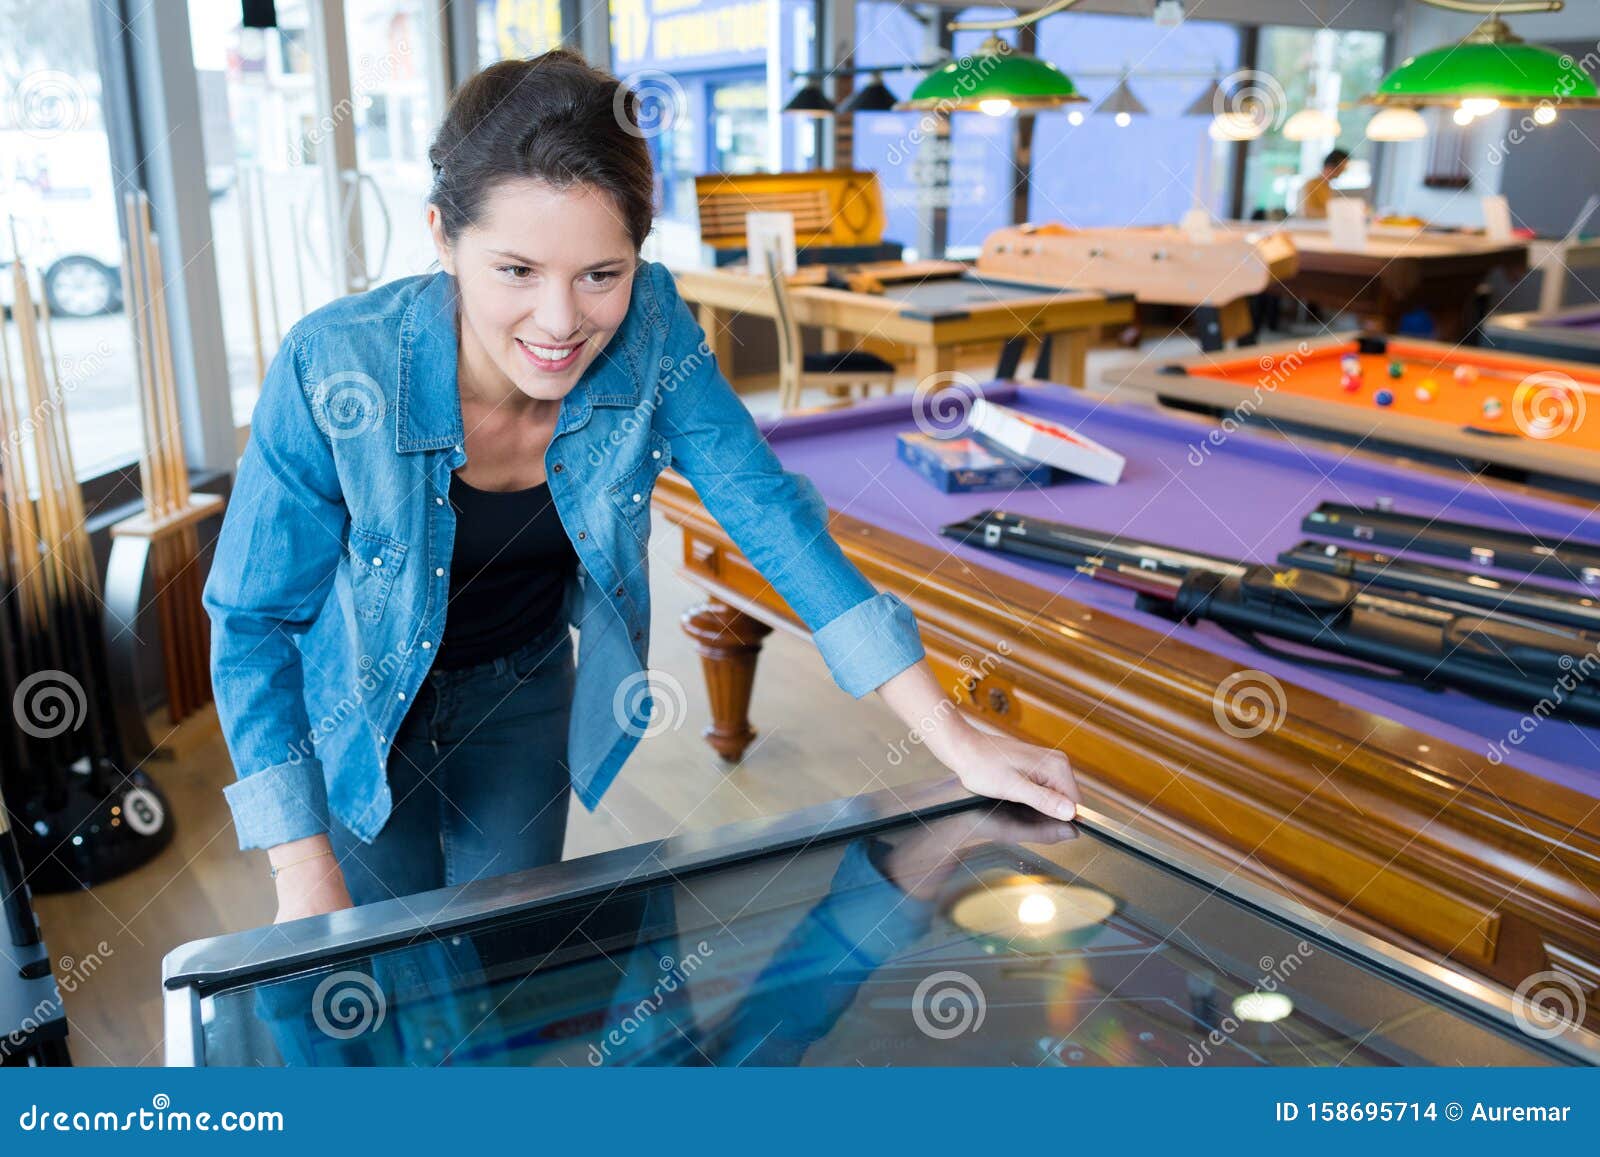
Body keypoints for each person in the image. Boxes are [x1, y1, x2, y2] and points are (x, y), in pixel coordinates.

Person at [202, 49, 1080, 926]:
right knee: (379, 961)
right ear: (442, 236)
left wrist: (954, 737)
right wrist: (299, 863)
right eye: (516, 271)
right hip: (357, 705)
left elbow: (769, 514)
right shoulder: (332, 363)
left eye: (600, 274)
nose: (559, 323)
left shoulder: (652, 326)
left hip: (522, 689)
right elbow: (254, 620)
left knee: (504, 949)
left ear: (637, 256)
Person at [1296, 148, 1350, 219]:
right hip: (1312, 225)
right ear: (1331, 167)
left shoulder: (1327, 187)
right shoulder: (1311, 184)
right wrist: (1337, 214)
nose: (1343, 171)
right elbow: (1307, 212)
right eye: (1342, 168)